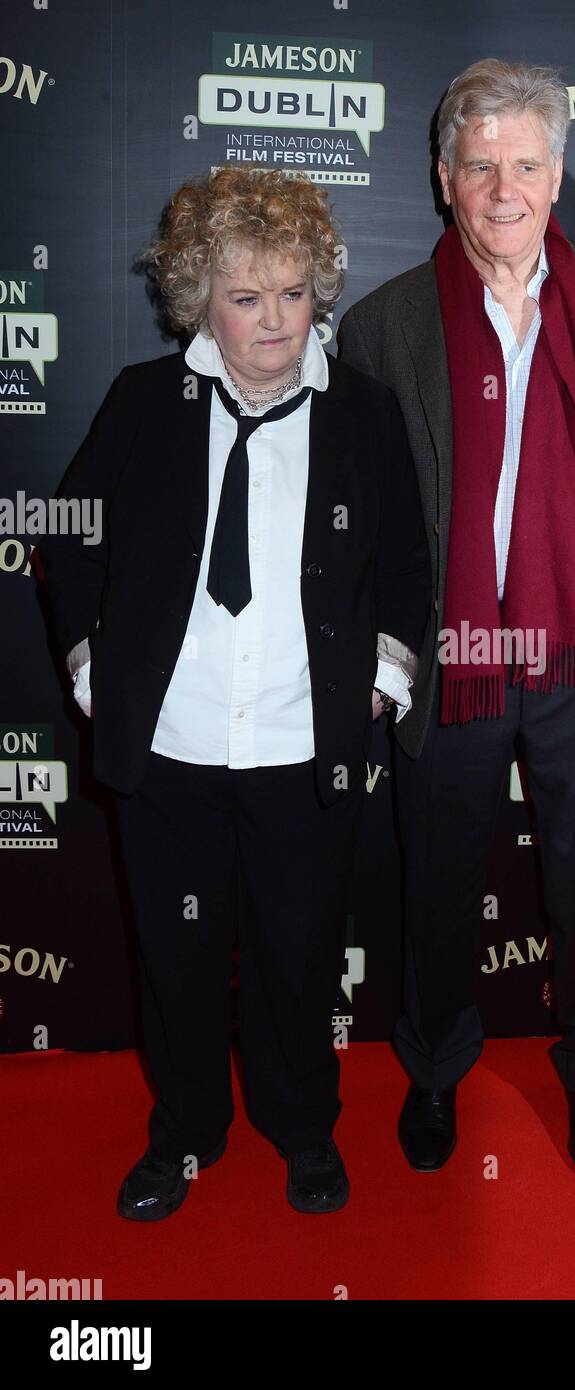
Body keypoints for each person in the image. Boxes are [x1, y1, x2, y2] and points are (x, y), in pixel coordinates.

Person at [37, 166, 430, 1220]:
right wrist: (90, 672)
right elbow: (69, 544)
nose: (273, 322)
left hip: (307, 749)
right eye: (245, 297)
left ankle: (303, 1129)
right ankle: (184, 1134)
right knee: (176, 955)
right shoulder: (141, 404)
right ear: (198, 299)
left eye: (293, 294)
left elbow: (403, 568)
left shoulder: (364, 414)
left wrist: (383, 684)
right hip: (169, 747)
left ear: (319, 294)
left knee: (300, 959)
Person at [338, 58, 575, 1181]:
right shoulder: (383, 325)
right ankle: (432, 1071)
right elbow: (369, 515)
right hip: (453, 654)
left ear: (558, 174)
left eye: (524, 164)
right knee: (434, 879)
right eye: (478, 165)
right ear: (442, 178)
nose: (501, 188)